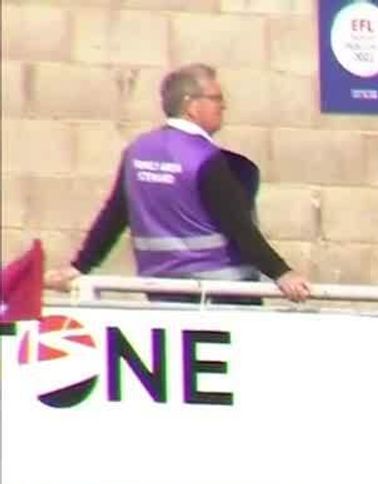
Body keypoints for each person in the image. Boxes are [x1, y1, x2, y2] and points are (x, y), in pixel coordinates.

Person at [43, 63, 310, 304]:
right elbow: (239, 229)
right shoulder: (205, 159)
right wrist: (282, 274)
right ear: (192, 106)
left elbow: (114, 216)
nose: (223, 106)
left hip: (162, 292)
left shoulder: (137, 151)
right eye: (216, 99)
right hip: (222, 293)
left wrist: (80, 266)